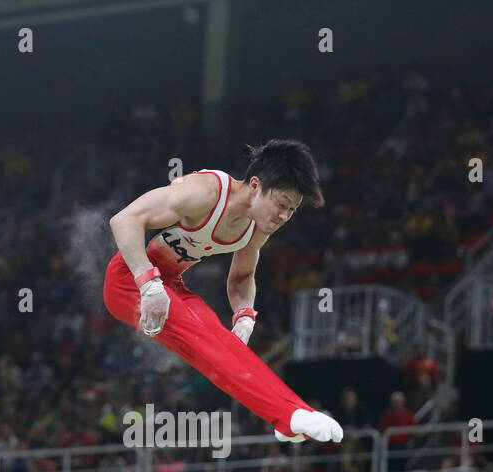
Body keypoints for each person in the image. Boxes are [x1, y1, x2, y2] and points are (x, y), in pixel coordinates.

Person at [104, 139, 343, 443]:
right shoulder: (206, 192)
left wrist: (244, 317)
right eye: (282, 204)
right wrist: (147, 283)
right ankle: (287, 415)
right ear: (255, 186)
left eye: (292, 210)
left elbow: (242, 276)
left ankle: (290, 415)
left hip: (170, 284)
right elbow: (124, 220)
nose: (284, 216)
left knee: (222, 342)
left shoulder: (256, 227)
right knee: (207, 342)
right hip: (128, 278)